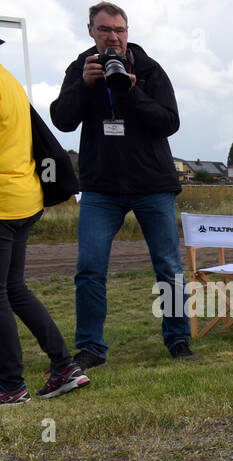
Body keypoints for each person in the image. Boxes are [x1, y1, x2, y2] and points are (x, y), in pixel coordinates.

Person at [50, 2, 195, 365]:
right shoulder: (81, 68)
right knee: (89, 269)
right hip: (101, 188)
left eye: (119, 30)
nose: (112, 37)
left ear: (127, 32)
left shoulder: (148, 69)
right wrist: (85, 86)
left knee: (169, 268)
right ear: (91, 31)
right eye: (104, 30)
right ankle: (91, 349)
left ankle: (179, 341)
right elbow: (62, 120)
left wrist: (132, 91)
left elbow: (169, 122)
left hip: (153, 185)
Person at [0, 52, 89, 405]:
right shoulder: (10, 80)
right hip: (25, 197)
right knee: (14, 288)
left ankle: (10, 385)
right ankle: (64, 367)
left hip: (4, 202)